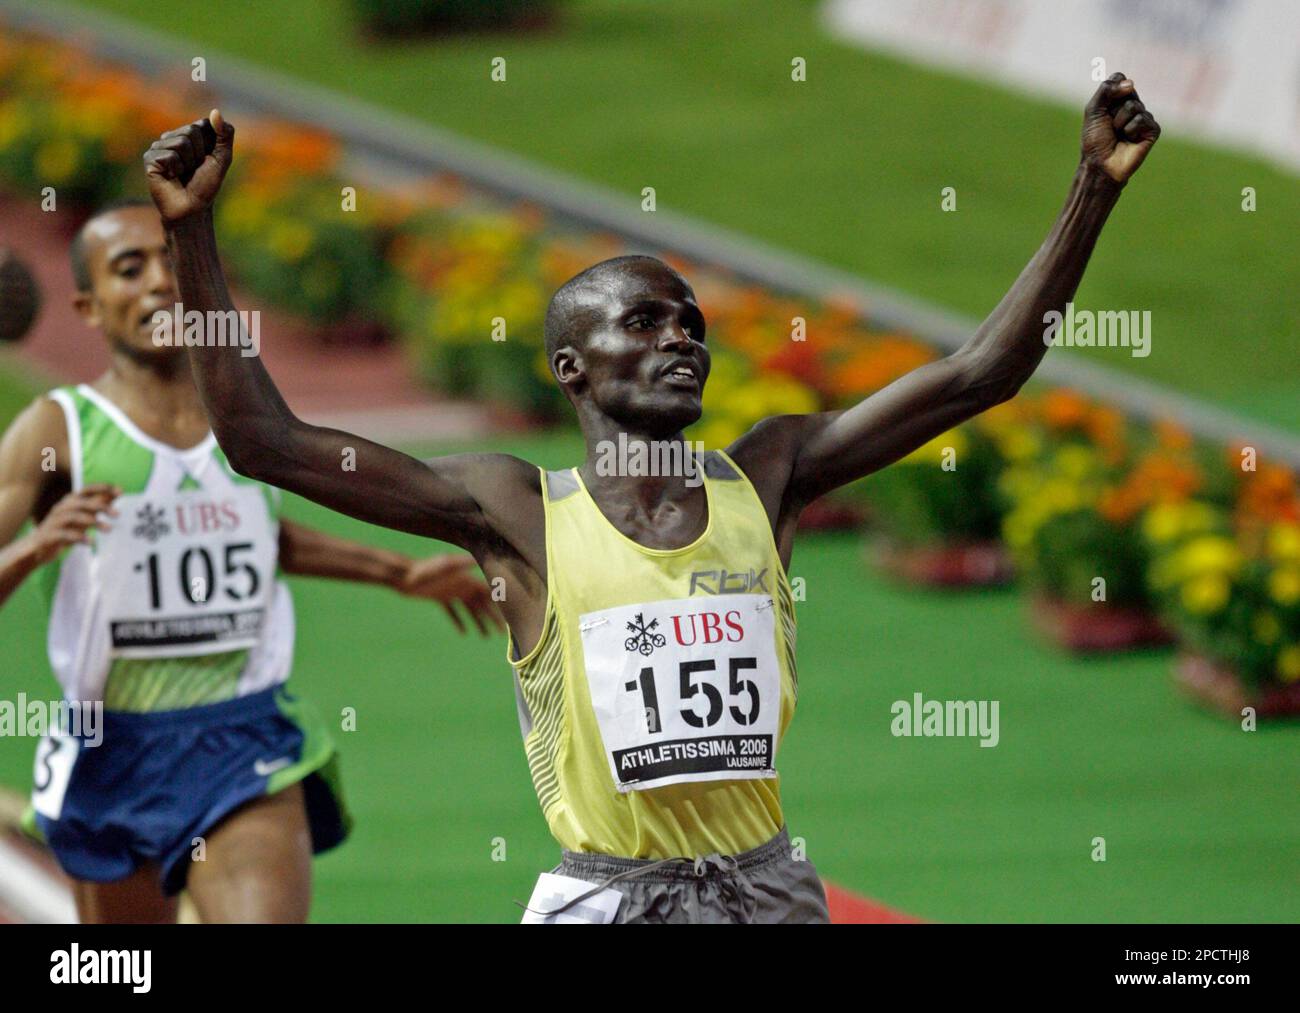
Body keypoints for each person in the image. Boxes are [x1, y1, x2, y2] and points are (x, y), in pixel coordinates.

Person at [142, 74, 1159, 923]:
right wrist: (191, 236)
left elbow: (983, 370)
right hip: (609, 900)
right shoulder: (516, 510)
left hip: (765, 891)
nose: (682, 337)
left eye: (691, 322)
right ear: (572, 366)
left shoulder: (769, 472)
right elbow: (264, 440)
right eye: (647, 321)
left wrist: (1091, 191)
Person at [0, 199, 502, 924]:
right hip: (113, 747)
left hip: (244, 739)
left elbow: (254, 533)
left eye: (173, 261)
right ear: (88, 304)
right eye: (129, 267)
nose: (159, 283)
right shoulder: (58, 428)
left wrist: (399, 571)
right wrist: (35, 547)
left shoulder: (246, 423)